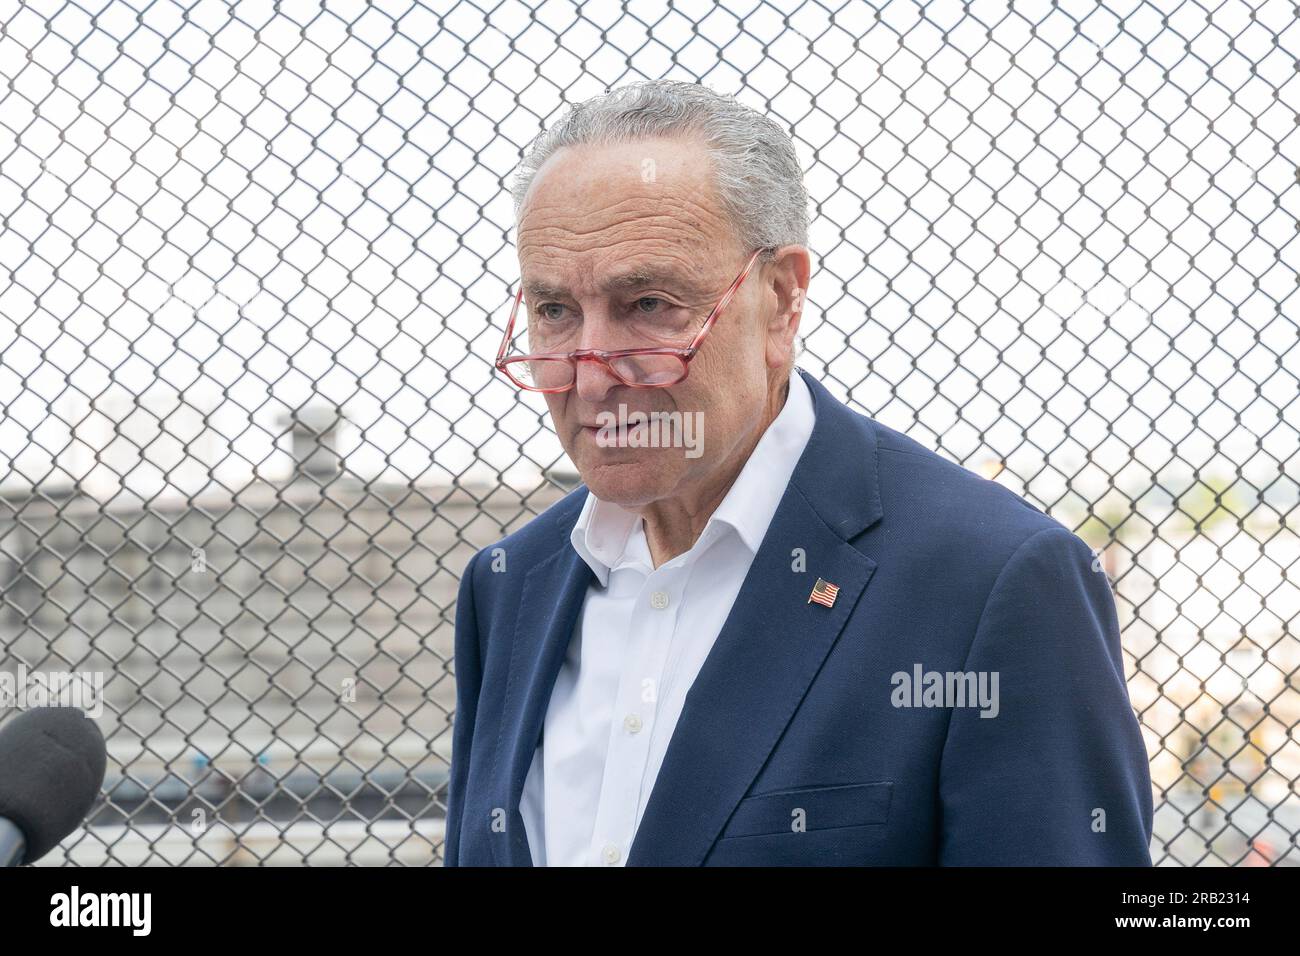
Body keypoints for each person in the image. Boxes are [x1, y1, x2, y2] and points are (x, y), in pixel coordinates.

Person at [444, 79, 1153, 866]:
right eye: (554, 313)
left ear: (781, 301)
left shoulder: (991, 584)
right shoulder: (509, 588)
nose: (590, 376)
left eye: (648, 305)